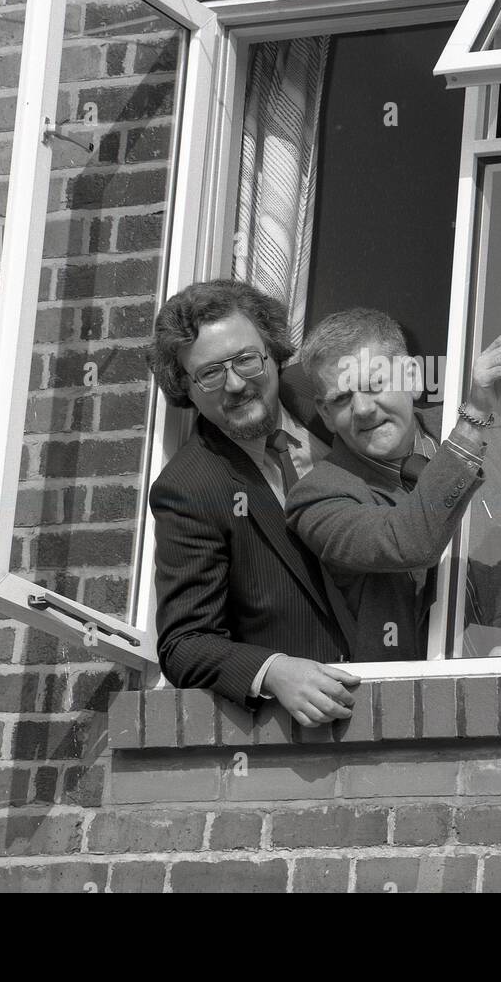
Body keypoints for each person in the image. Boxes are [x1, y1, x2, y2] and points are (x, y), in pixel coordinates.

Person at [286, 309, 501, 662]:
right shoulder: (316, 496)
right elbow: (409, 543)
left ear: (411, 376)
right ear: (326, 413)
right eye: (341, 399)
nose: (362, 409)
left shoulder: (478, 433)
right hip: (418, 701)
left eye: (375, 384)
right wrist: (475, 417)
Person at [146, 280, 360, 727]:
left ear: (273, 352)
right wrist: (276, 671)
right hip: (322, 724)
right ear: (185, 387)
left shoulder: (332, 391)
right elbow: (185, 643)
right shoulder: (189, 489)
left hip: (422, 658)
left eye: (246, 359)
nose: (236, 384)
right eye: (210, 373)